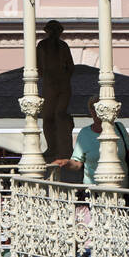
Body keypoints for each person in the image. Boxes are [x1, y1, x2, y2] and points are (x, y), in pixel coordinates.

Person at [49, 98, 129, 188]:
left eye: (100, 108)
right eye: (93, 108)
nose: (96, 112)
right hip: (93, 191)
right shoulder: (84, 133)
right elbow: (77, 164)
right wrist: (66, 162)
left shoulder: (119, 128)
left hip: (122, 189)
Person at [36, 20, 75, 162]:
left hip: (59, 84)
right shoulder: (42, 46)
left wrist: (61, 77)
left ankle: (60, 148)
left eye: (56, 30)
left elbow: (70, 66)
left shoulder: (62, 46)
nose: (54, 33)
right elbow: (38, 66)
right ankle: (53, 147)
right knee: (48, 117)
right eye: (52, 30)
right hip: (51, 84)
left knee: (58, 115)